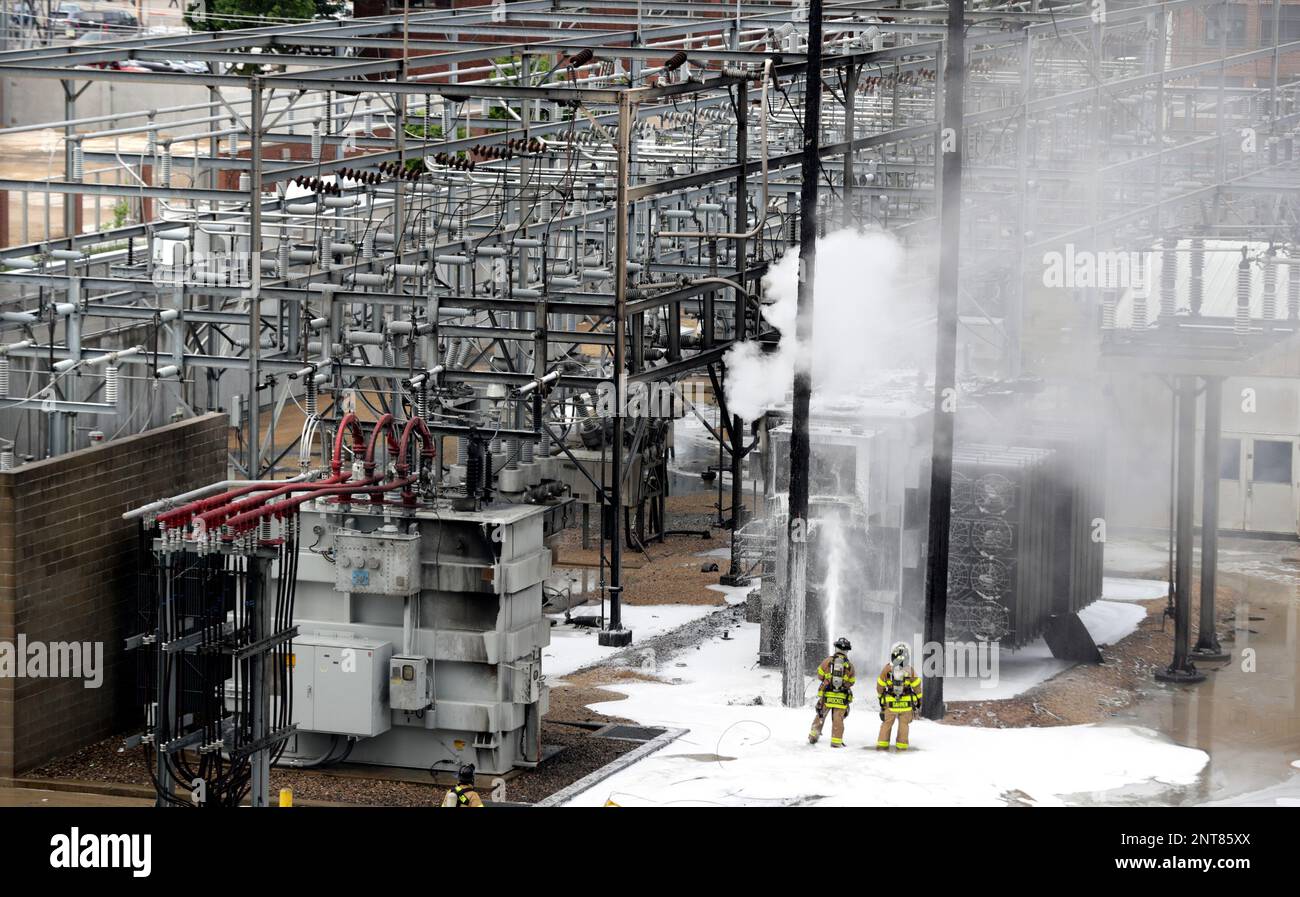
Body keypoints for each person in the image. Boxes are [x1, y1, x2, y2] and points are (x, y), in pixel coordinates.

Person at [808, 637, 855, 748]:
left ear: (836, 648)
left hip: (826, 696)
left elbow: (820, 675)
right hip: (841, 697)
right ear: (846, 650)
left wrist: (827, 680)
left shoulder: (827, 661)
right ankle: (836, 741)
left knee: (820, 715)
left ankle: (813, 736)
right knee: (838, 719)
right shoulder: (849, 665)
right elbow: (852, 681)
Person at [876, 642, 922, 751]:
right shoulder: (909, 670)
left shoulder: (887, 669)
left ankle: (882, 745)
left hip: (890, 703)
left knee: (886, 724)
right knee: (904, 725)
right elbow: (917, 687)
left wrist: (881, 698)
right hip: (906, 704)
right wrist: (919, 700)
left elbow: (880, 686)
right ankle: (902, 747)